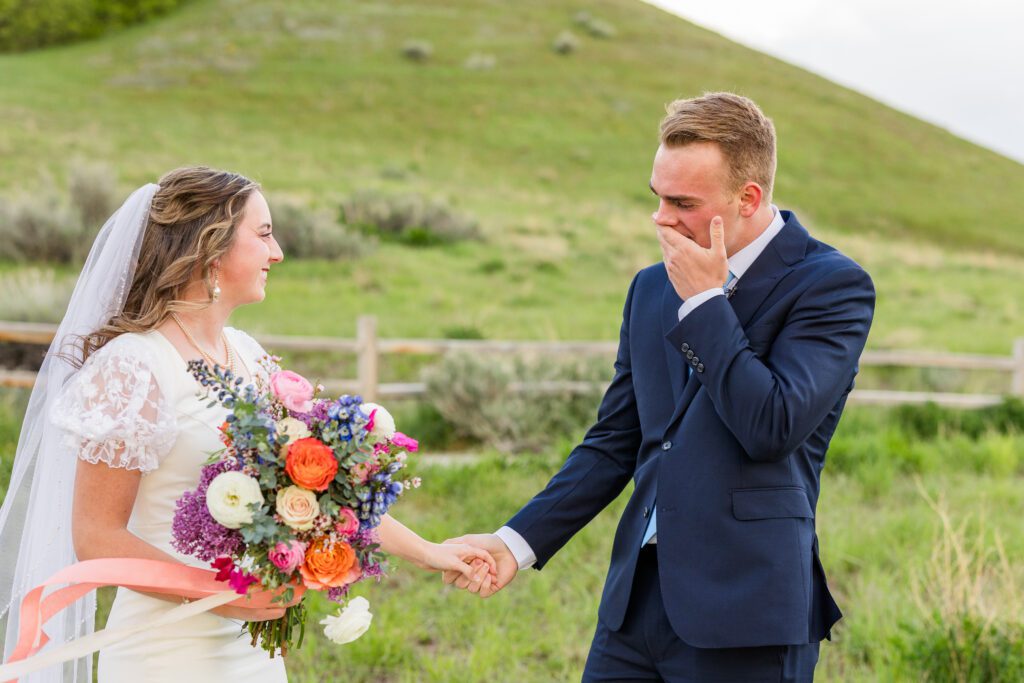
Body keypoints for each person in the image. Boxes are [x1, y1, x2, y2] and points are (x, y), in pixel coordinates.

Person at [0, 166, 493, 682]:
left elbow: (330, 494)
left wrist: (431, 553)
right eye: (263, 235)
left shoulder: (250, 358)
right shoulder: (133, 367)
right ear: (210, 249)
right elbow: (96, 534)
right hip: (166, 650)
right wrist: (218, 591)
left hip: (251, 650)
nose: (277, 252)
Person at [445, 92, 875, 682]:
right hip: (633, 611)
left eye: (682, 202)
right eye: (657, 197)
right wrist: (514, 542)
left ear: (748, 199)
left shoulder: (832, 286)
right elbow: (615, 440)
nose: (661, 218)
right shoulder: (650, 288)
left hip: (747, 616)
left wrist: (703, 300)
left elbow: (771, 425)